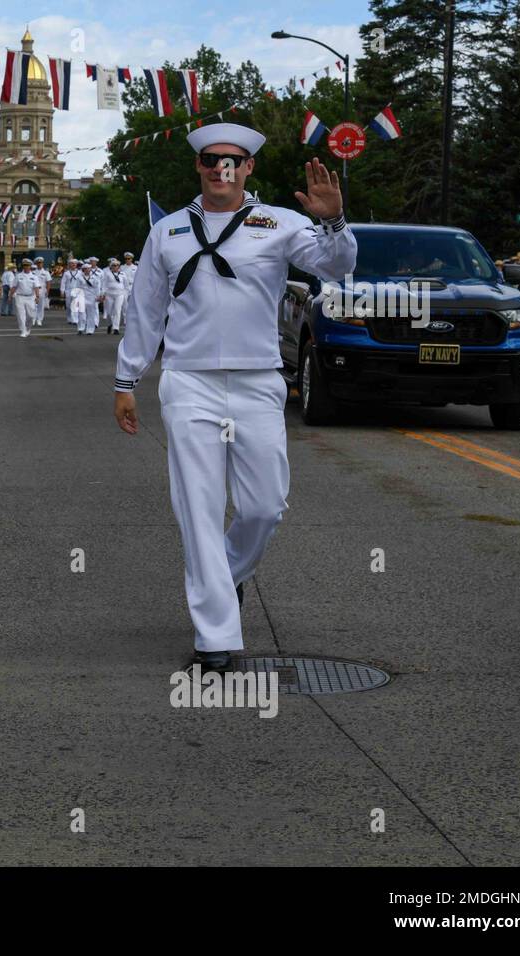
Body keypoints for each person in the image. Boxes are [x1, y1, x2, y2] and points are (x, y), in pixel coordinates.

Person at [114, 122, 357, 672]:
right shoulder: (168, 232)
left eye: (233, 160)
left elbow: (338, 265)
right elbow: (146, 312)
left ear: (248, 168)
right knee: (197, 506)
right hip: (188, 380)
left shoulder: (281, 224)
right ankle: (216, 637)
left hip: (258, 380)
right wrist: (126, 379)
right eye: (210, 160)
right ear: (199, 168)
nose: (221, 168)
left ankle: (227, 576)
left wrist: (334, 219)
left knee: (264, 506)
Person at [12, 258, 39, 337]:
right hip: (20, 297)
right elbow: (14, 286)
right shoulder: (18, 276)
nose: (26, 267)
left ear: (30, 266)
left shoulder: (34, 277)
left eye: (27, 265)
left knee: (31, 316)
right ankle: (23, 330)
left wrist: (37, 297)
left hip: (30, 297)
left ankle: (28, 328)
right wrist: (10, 296)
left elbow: (36, 287)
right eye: (24, 265)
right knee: (21, 315)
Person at [100, 258, 128, 335]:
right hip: (109, 294)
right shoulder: (107, 274)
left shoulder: (123, 274)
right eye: (113, 265)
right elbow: (104, 285)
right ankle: (110, 324)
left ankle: (116, 328)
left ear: (119, 266)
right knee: (109, 312)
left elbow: (126, 285)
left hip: (119, 294)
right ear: (111, 266)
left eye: (117, 265)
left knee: (117, 310)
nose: (115, 267)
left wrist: (125, 294)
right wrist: (102, 294)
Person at [32, 257, 51, 327]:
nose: (39, 264)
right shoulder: (33, 272)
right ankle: (33, 318)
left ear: (42, 264)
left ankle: (39, 319)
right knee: (33, 305)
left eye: (41, 263)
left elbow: (48, 282)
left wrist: (47, 291)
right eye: (38, 263)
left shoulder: (46, 272)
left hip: (42, 290)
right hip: (34, 290)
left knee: (41, 305)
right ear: (36, 264)